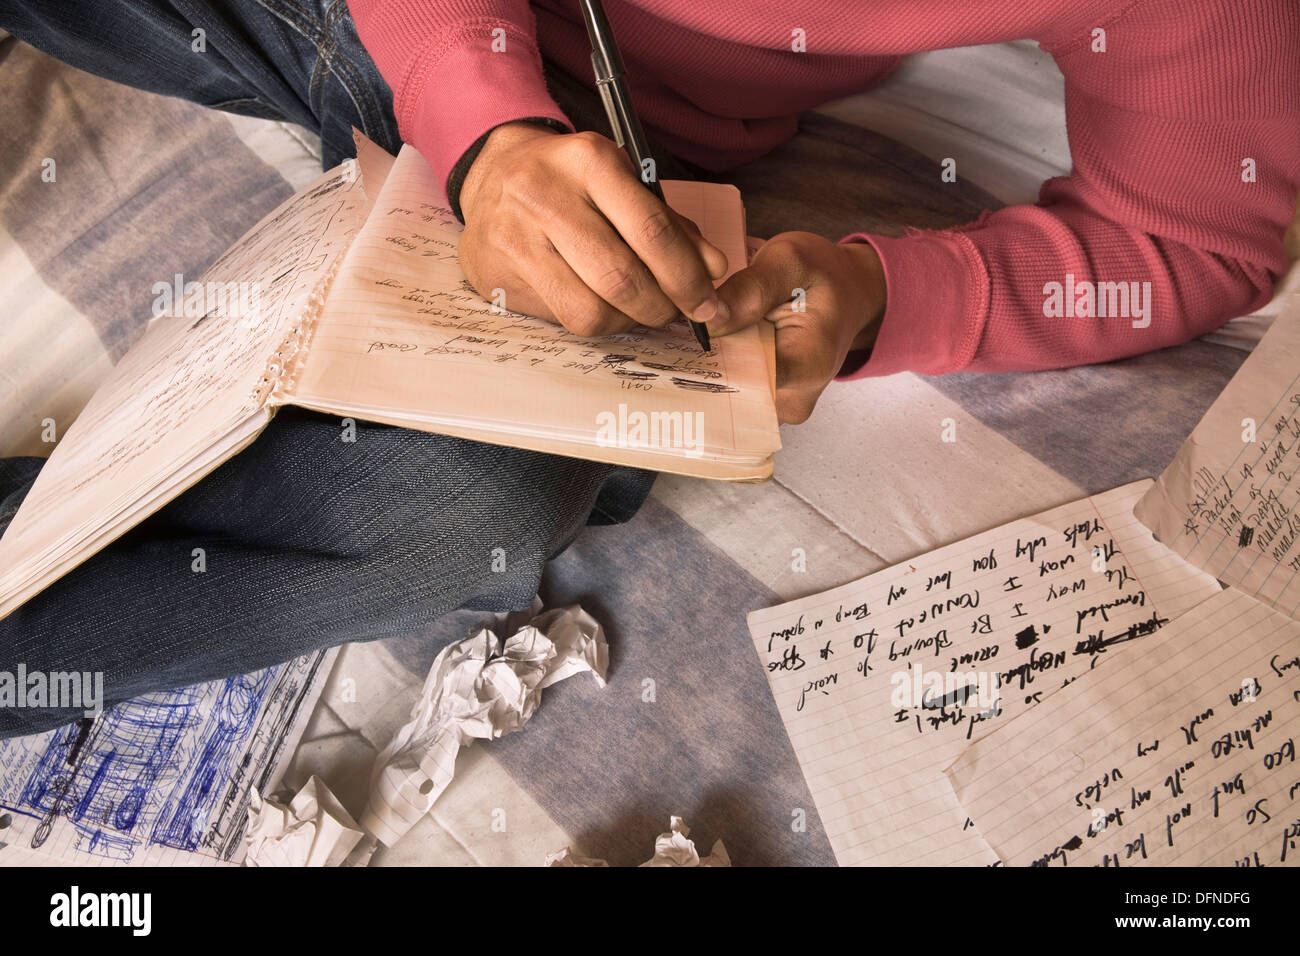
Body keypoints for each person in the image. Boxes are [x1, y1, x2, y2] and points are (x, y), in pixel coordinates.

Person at [0, 0, 1295, 737]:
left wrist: (883, 295)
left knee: (463, 500)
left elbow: (1185, 231)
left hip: (611, 136)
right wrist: (479, 117)